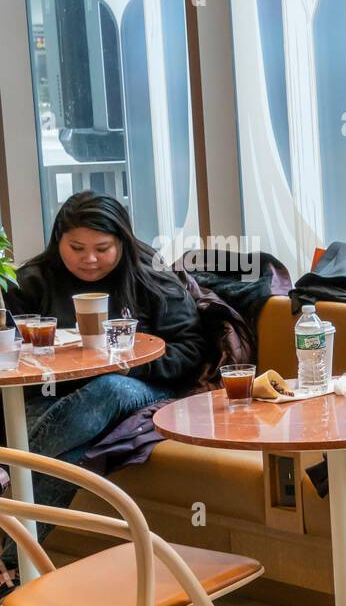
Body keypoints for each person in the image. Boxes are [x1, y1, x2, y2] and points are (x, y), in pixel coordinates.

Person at [2, 192, 206, 570]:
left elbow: (189, 353)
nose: (89, 259)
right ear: (58, 240)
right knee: (76, 454)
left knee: (108, 388)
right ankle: (11, 566)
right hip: (55, 396)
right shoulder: (33, 281)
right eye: (76, 247)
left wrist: (129, 365)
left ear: (122, 242)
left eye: (102, 248)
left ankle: (8, 472)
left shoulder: (151, 276)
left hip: (142, 389)